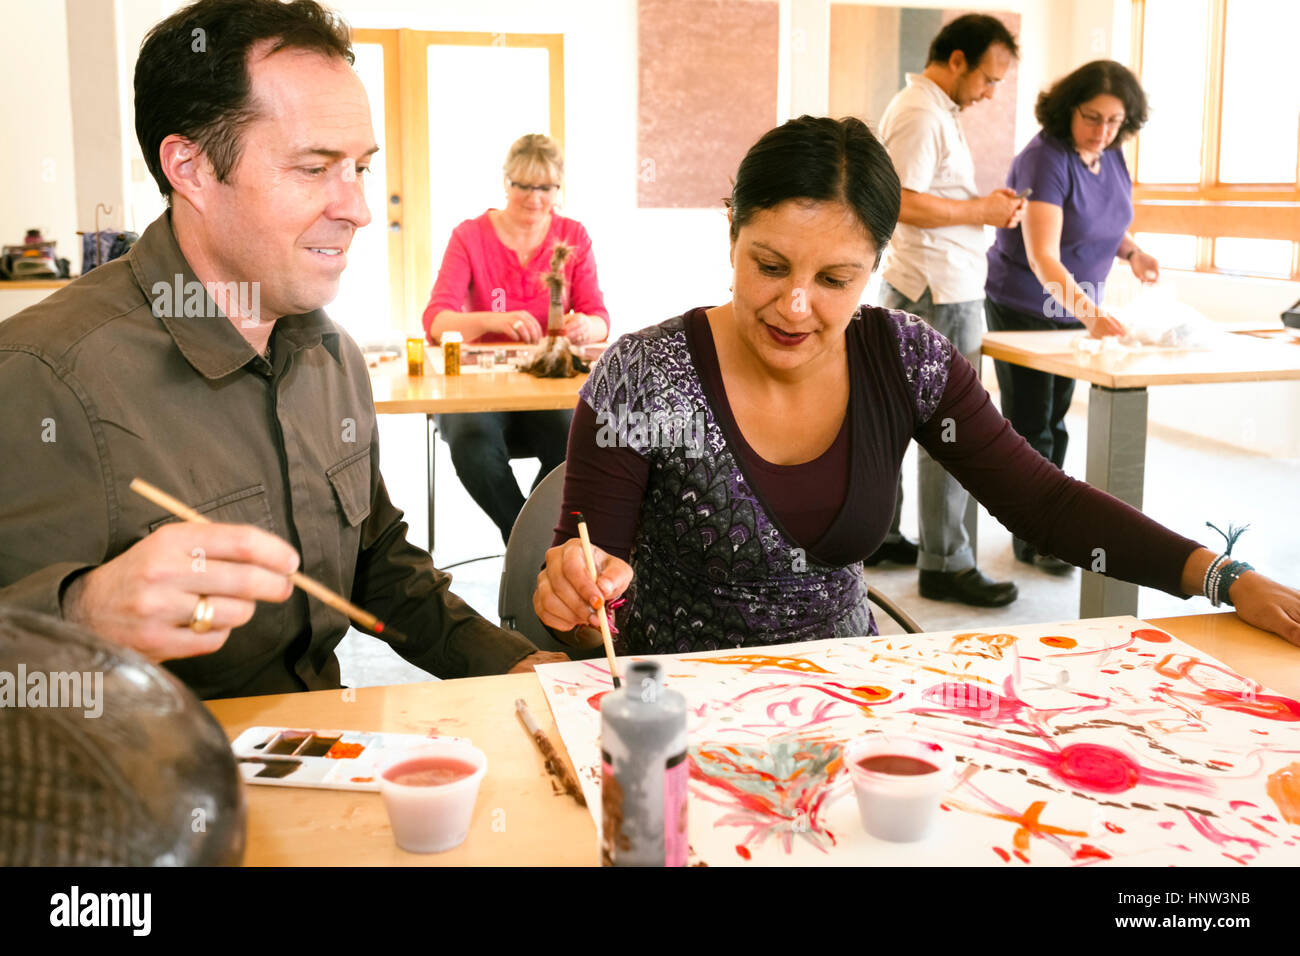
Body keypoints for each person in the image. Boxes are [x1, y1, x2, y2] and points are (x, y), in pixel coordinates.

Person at [532, 115, 1300, 655]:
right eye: (769, 266)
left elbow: (1042, 500)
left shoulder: (905, 360)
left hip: (848, 703)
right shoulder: (644, 375)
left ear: (878, 264)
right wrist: (570, 591)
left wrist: (1222, 576)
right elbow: (583, 591)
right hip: (674, 714)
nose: (795, 306)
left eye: (836, 278)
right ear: (730, 229)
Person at [0, 0, 563, 700]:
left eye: (359, 167)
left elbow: (378, 564)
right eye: (313, 167)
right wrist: (81, 615)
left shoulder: (332, 352)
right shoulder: (42, 377)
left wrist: (513, 666)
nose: (357, 207)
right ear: (192, 167)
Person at [985, 60, 1159, 571]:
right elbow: (1044, 255)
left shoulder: (1110, 155)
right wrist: (1090, 313)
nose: (1102, 131)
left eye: (1113, 121)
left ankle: (1051, 524)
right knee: (1030, 427)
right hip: (1026, 303)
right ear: (1068, 110)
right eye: (1092, 118)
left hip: (1075, 307)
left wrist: (1132, 253)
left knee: (1056, 422)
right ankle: (1033, 536)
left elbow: (1100, 219)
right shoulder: (1045, 158)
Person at [876, 13, 1024, 607]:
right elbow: (899, 201)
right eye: (988, 78)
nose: (991, 92)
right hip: (939, 292)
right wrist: (981, 212)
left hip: (930, 286)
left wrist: (979, 206)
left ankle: (886, 535)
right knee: (952, 429)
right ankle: (946, 563)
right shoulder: (920, 112)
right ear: (957, 60)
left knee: (895, 420)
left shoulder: (936, 110)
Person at [423, 134, 609, 543]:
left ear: (558, 188)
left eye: (545, 187)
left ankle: (529, 540)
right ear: (505, 182)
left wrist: (586, 328)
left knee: (577, 439)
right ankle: (527, 544)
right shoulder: (470, 236)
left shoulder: (572, 236)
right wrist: (496, 319)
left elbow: (599, 317)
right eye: (523, 185)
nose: (534, 198)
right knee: (473, 440)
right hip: (478, 391)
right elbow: (436, 322)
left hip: (543, 388)